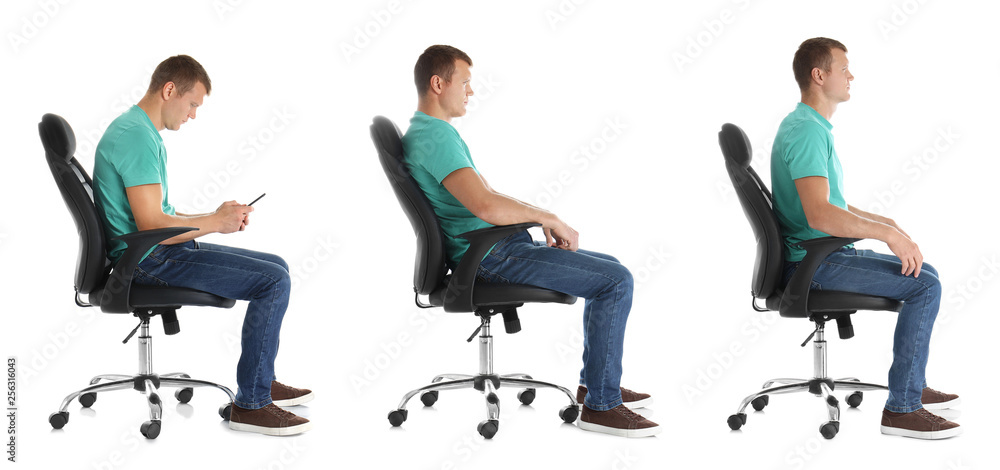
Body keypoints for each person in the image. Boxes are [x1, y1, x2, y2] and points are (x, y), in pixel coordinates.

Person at [400, 45, 659, 438]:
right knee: (615, 281)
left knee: (609, 266)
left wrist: (541, 216)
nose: (470, 92)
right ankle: (601, 407)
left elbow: (487, 195)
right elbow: (486, 205)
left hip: (491, 247)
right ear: (439, 83)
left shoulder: (430, 133)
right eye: (465, 83)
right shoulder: (435, 138)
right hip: (491, 256)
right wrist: (546, 217)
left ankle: (595, 385)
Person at [92, 55, 312, 436]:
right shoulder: (136, 137)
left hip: (151, 252)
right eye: (192, 103)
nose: (193, 115)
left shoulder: (139, 131)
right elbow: (153, 225)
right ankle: (252, 404)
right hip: (148, 262)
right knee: (273, 282)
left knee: (278, 265)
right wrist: (215, 223)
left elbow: (159, 215)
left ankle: (261, 378)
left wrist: (213, 216)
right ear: (169, 90)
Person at [771, 38, 960, 439]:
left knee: (928, 273)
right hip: (815, 265)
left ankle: (910, 382)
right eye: (844, 68)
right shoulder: (806, 132)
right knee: (924, 286)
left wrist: (884, 221)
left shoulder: (809, 126)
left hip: (818, 259)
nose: (851, 75)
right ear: (819, 76)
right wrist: (887, 235)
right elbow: (820, 214)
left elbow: (832, 204)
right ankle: (902, 408)